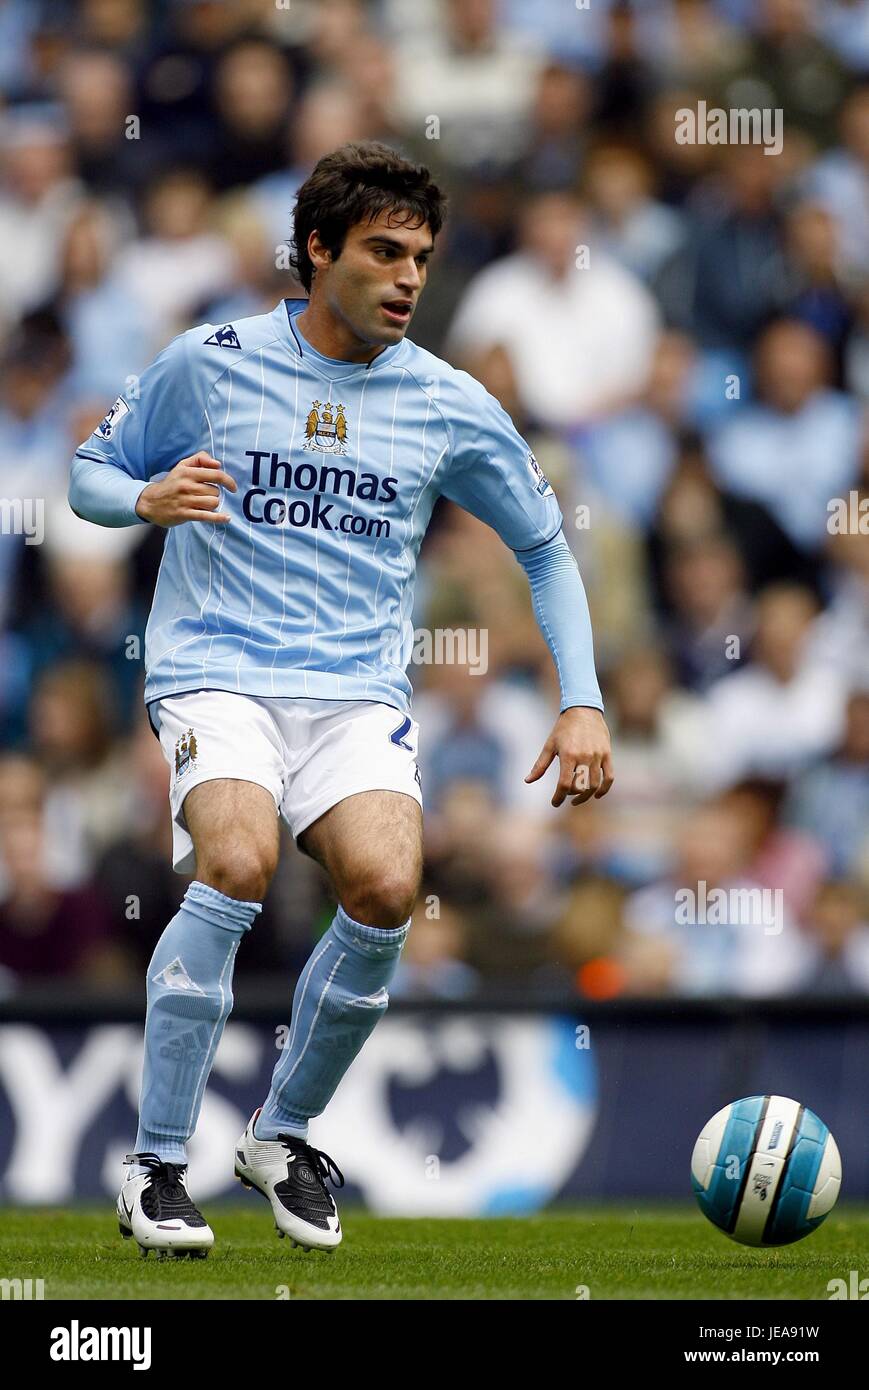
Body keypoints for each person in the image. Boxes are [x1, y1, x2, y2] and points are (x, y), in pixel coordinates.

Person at [68, 141, 613, 1258]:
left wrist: (583, 698)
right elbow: (87, 473)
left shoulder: (448, 401)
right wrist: (144, 499)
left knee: (385, 882)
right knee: (234, 858)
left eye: (420, 256)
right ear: (316, 251)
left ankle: (283, 1133)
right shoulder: (210, 361)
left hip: (354, 691)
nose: (408, 277)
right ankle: (156, 1163)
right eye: (382, 252)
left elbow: (546, 548)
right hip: (215, 666)